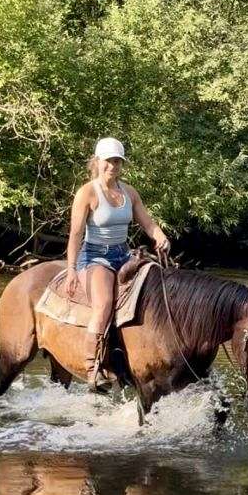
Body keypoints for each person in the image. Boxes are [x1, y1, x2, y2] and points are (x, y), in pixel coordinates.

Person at [65, 137, 170, 392]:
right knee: (103, 307)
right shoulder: (87, 193)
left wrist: (160, 236)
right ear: (98, 161)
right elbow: (76, 235)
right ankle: (93, 369)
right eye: (109, 161)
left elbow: (147, 222)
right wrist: (70, 270)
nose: (113, 166)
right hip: (95, 257)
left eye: (118, 161)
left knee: (157, 286)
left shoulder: (129, 192)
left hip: (124, 254)